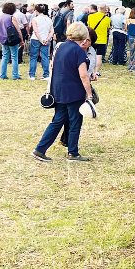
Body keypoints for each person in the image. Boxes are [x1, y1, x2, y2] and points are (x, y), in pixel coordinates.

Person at [31, 22, 93, 163]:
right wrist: (89, 94)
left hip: (58, 90)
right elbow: (83, 75)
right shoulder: (79, 51)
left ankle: (40, 149)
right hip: (74, 92)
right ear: (83, 35)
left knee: (57, 121)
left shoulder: (60, 47)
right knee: (75, 122)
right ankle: (73, 153)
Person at [0, 2, 24, 80]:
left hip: (3, 38)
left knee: (5, 57)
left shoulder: (1, 17)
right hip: (12, 39)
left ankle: (2, 75)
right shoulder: (12, 17)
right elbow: (18, 30)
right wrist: (21, 40)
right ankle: (15, 75)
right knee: (14, 57)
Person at [28, 4, 54, 80]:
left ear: (36, 11)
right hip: (46, 38)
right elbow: (52, 31)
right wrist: (47, 39)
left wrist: (40, 39)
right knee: (45, 57)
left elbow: (35, 31)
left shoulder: (35, 19)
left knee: (33, 57)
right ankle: (46, 74)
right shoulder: (49, 19)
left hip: (36, 39)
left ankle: (32, 74)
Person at [85, 4, 111, 75]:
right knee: (99, 56)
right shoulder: (107, 19)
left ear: (98, 8)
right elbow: (108, 28)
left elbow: (89, 26)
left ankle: (90, 70)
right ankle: (97, 71)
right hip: (102, 39)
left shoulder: (90, 16)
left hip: (92, 38)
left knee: (90, 54)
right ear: (105, 9)